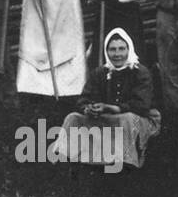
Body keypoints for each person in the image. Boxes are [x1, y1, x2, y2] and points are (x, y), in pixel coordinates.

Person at [54, 28, 160, 172]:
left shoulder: (140, 72)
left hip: (140, 119)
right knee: (72, 118)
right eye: (112, 49)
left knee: (127, 120)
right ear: (106, 51)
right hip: (107, 118)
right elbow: (84, 99)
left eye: (121, 49)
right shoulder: (100, 72)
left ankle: (123, 168)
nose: (117, 54)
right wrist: (89, 109)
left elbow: (141, 106)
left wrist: (109, 108)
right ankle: (70, 164)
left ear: (129, 49)